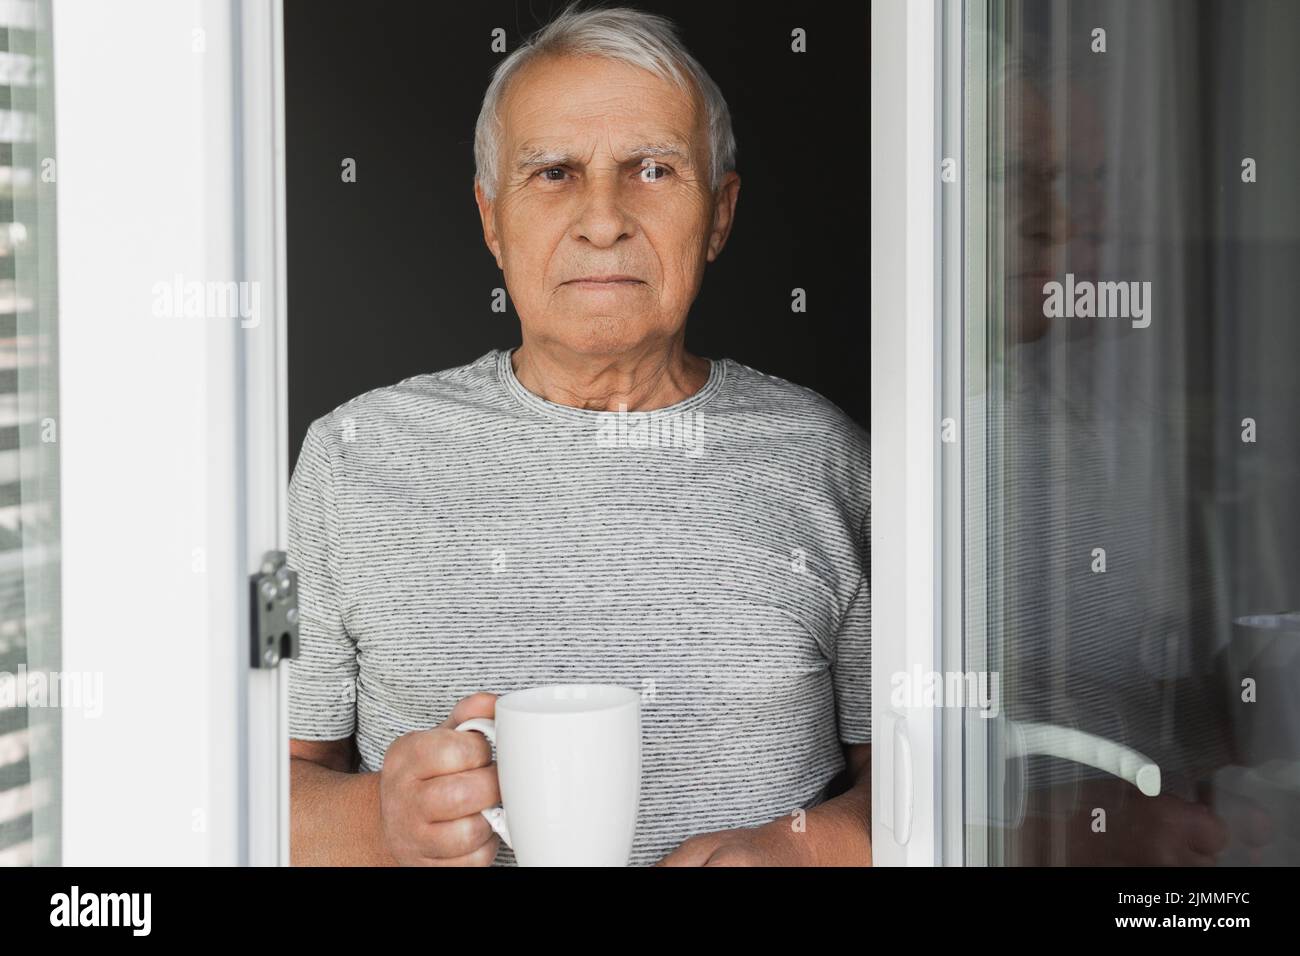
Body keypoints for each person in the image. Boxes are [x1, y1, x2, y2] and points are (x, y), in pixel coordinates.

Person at [287, 3, 871, 867]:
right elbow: (248, 788)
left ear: (719, 214)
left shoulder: (830, 462)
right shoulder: (346, 461)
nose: (604, 219)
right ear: (492, 217)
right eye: (554, 173)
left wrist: (809, 851)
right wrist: (377, 824)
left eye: (654, 169)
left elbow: (935, 778)